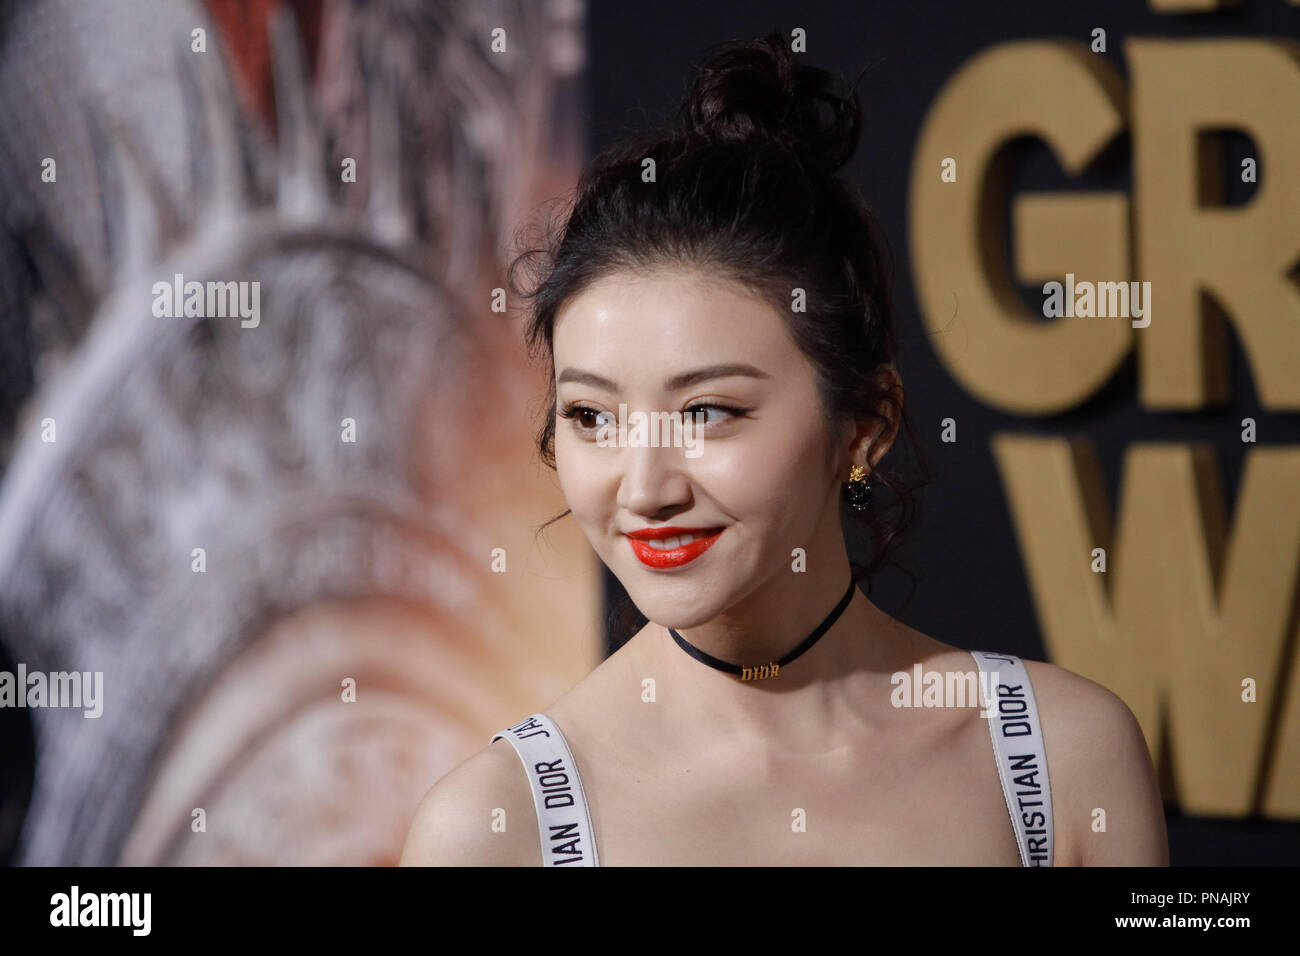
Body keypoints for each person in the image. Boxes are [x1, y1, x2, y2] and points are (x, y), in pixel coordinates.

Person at [400, 32, 1168, 867]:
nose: (645, 486)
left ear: (866, 424)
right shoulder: (496, 826)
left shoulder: (1063, 762)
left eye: (710, 412)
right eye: (592, 417)